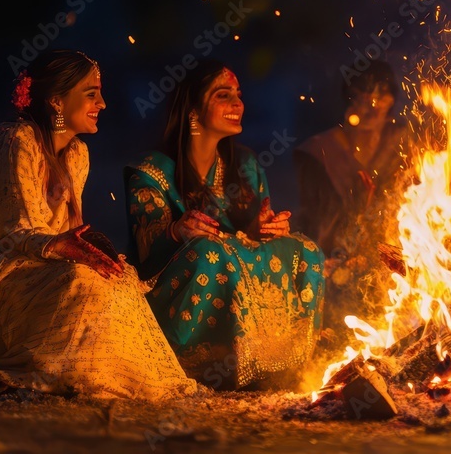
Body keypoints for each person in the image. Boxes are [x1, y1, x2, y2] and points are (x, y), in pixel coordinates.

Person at [0, 50, 196, 400]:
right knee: (83, 279)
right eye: (91, 93)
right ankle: (48, 369)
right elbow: (15, 229)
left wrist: (92, 250)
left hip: (40, 263)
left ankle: (101, 376)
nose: (103, 103)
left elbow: (70, 228)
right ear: (56, 101)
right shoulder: (16, 140)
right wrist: (62, 248)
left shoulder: (77, 153)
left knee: (114, 277)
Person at [125, 61, 325, 390]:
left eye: (238, 95)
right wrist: (177, 231)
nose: (237, 104)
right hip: (177, 283)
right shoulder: (151, 172)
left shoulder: (245, 165)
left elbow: (250, 235)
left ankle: (285, 366)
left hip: (237, 257)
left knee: (306, 251)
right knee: (211, 254)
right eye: (223, 95)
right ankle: (203, 361)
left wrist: (265, 229)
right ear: (192, 110)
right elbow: (145, 255)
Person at [294, 60, 409, 349]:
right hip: (336, 257)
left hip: (395, 252)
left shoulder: (405, 147)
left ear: (392, 100)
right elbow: (318, 228)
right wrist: (357, 210)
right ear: (349, 100)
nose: (370, 105)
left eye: (379, 95)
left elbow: (412, 214)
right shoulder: (321, 152)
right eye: (361, 95)